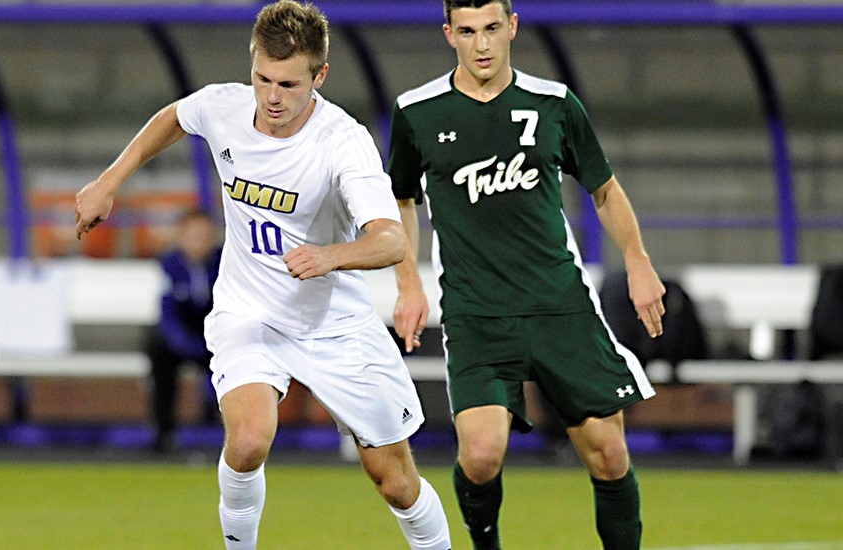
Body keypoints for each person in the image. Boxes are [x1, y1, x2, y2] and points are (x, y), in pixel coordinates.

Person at [74, 2, 451, 548]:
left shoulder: (343, 142)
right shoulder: (224, 107)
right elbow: (174, 117)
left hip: (334, 323)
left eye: (290, 84)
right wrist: (109, 181)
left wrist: (329, 257)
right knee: (249, 440)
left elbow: (391, 239)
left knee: (394, 481)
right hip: (249, 313)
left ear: (320, 76)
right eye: (263, 79)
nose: (273, 97)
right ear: (252, 63)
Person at [386, 1, 667, 549]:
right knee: (482, 455)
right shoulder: (417, 111)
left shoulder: (555, 103)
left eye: (492, 28)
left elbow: (604, 190)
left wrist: (638, 261)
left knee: (610, 455)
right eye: (467, 32)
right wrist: (408, 282)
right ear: (449, 35)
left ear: (511, 26)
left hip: (558, 303)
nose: (482, 44)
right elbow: (400, 200)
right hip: (476, 310)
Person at [148, 209, 222, 454]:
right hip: (184, 337)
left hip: (219, 335)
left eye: (205, 236)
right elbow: (167, 313)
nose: (199, 242)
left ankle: (236, 435)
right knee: (157, 349)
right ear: (181, 237)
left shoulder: (225, 263)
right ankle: (164, 433)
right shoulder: (169, 265)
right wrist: (189, 344)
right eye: (193, 236)